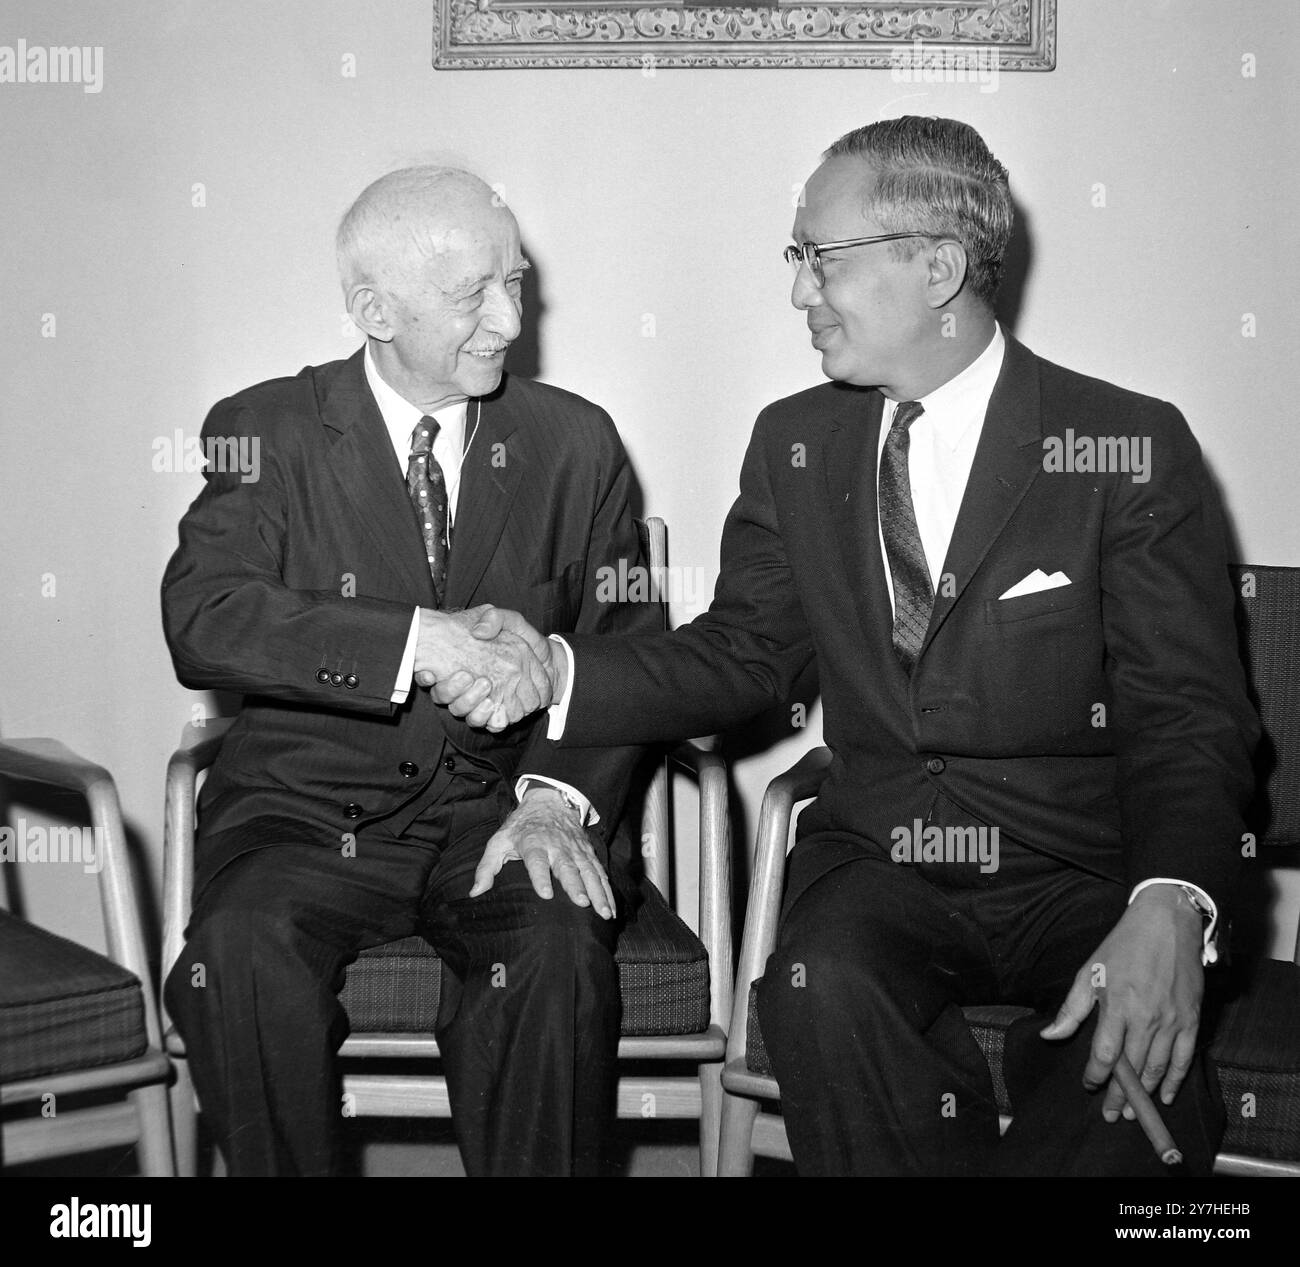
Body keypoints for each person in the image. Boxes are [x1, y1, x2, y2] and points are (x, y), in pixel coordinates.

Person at [435, 117, 1259, 1176]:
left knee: (1130, 1089)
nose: (798, 292)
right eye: (798, 260)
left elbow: (1189, 716)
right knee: (814, 988)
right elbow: (742, 659)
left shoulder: (1122, 447)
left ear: (940, 267)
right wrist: (558, 667)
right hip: (884, 861)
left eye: (821, 259)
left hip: (1084, 870)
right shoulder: (797, 443)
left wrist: (1170, 908)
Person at [161, 166, 657, 1176]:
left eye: (516, 282)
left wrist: (559, 799)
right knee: (238, 957)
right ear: (373, 307)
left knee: (557, 959)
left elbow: (632, 651)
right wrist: (416, 639)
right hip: (303, 816)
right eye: (475, 292)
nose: (511, 318)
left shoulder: (576, 444)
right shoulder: (268, 432)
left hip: (505, 810)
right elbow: (205, 618)